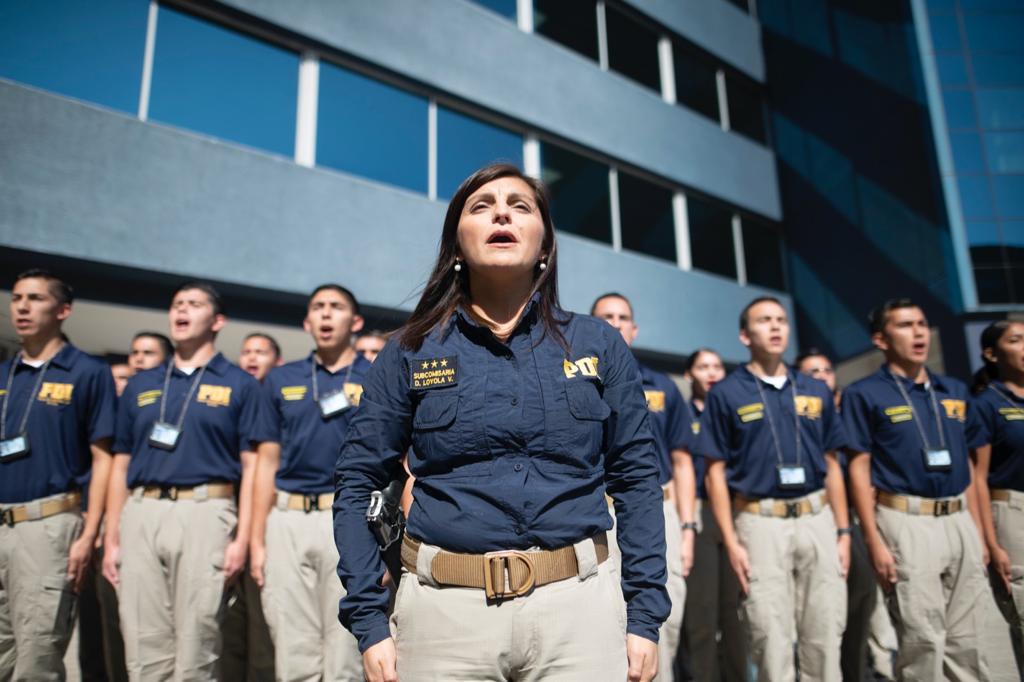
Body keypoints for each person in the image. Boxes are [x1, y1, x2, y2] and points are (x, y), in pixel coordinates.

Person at [335, 163, 669, 682]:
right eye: (481, 206)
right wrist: (369, 619)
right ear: (455, 247)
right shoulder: (408, 352)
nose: (501, 214)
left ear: (544, 247)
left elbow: (638, 480)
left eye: (520, 206)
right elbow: (358, 482)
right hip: (443, 616)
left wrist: (644, 615)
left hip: (580, 613)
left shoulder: (598, 344)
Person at [103, 281, 271, 679]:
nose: (181, 311)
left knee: (198, 642)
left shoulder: (240, 384)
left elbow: (252, 467)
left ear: (217, 321)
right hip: (140, 511)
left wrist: (242, 538)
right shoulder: (142, 383)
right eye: (177, 304)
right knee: (143, 644)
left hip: (205, 512)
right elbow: (119, 463)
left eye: (193, 304)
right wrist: (111, 537)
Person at [694, 296, 850, 681]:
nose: (776, 326)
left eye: (781, 319)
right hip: (759, 523)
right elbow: (715, 472)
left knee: (825, 632)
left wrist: (843, 531)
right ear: (745, 335)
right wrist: (731, 541)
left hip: (817, 517)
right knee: (769, 635)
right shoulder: (726, 394)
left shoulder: (814, 388)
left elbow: (832, 463)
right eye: (765, 321)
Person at [842, 298, 988, 680]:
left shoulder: (953, 390)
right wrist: (872, 539)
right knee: (922, 638)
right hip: (906, 521)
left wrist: (981, 535)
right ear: (881, 339)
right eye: (905, 325)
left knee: (969, 638)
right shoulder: (864, 394)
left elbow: (973, 469)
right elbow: (859, 468)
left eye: (922, 324)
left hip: (958, 518)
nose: (918, 332)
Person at [0, 269, 117, 680]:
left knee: (37, 658)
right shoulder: (4, 373)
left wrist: (89, 534)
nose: (23, 307)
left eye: (35, 298)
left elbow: (103, 457)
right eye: (16, 298)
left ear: (63, 310)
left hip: (47, 527)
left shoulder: (87, 371)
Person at [251, 284, 369, 679]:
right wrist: (256, 539)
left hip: (349, 518)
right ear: (306, 322)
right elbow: (265, 462)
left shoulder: (375, 377)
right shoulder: (281, 378)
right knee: (292, 640)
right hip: (287, 518)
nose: (325, 314)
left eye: (336, 307)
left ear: (355, 322)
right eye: (318, 307)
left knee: (345, 647)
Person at [591, 292, 696, 681]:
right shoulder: (575, 378)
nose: (615, 323)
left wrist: (687, 530)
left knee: (660, 624)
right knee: (603, 620)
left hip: (659, 514)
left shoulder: (665, 388)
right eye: (606, 317)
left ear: (634, 329)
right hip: (597, 514)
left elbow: (683, 463)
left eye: (623, 317)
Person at [795, 348, 890, 681]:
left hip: (865, 518)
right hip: (828, 519)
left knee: (866, 601)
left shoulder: (851, 406)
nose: (821, 376)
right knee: (830, 609)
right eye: (811, 372)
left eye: (825, 369)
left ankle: (864, 669)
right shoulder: (801, 416)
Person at [679, 347, 748, 682]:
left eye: (718, 366)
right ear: (690, 375)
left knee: (736, 613)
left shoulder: (734, 409)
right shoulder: (684, 414)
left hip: (737, 514)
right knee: (703, 616)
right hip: (700, 516)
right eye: (703, 367)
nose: (712, 372)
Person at [970, 319, 1024, 674]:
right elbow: (977, 477)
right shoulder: (986, 404)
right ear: (992, 354)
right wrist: (989, 543)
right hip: (1012, 512)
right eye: (1016, 340)